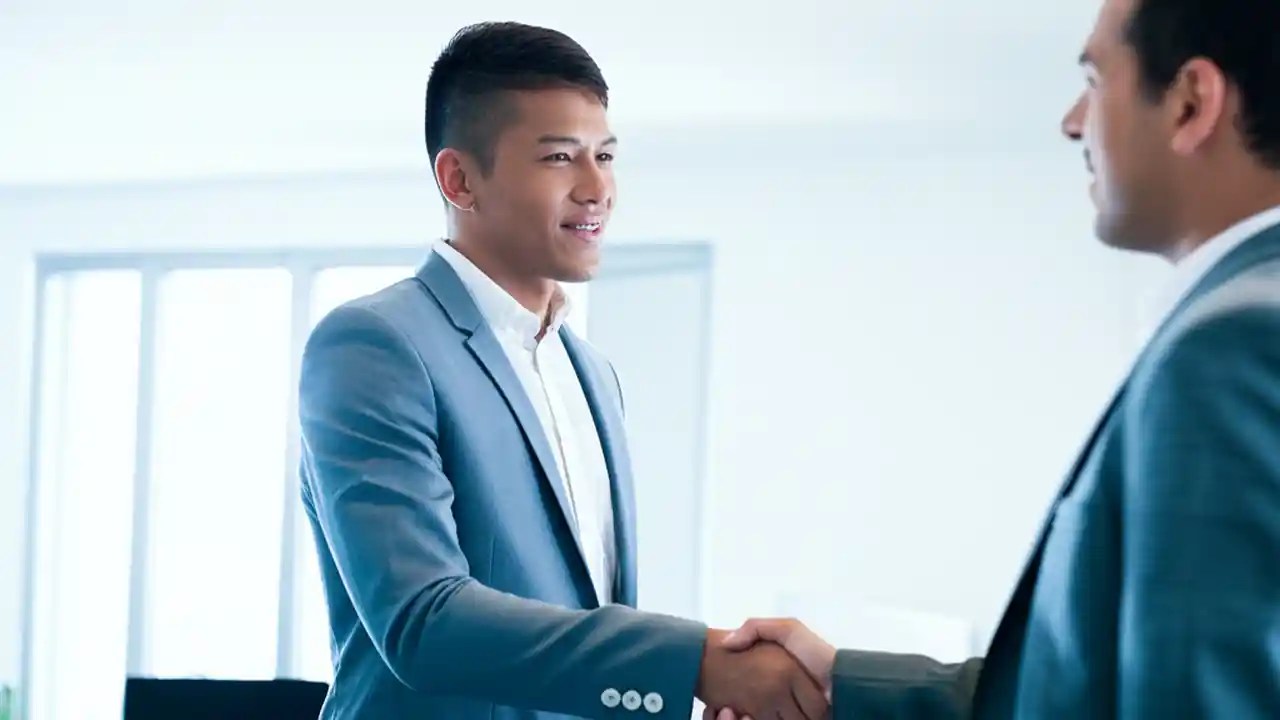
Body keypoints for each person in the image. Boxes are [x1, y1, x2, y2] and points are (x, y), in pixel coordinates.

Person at [708, 0, 1280, 717]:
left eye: (1095, 81)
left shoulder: (1231, 345)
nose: (1073, 121)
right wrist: (843, 684)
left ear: (1191, 103)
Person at [297, 21, 827, 720]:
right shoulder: (376, 344)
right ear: (460, 178)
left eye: (605, 156)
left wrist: (687, 693)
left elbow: (582, 631)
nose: (597, 188)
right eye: (559, 158)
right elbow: (422, 622)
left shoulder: (594, 375)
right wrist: (691, 663)